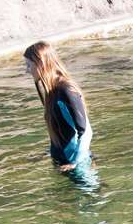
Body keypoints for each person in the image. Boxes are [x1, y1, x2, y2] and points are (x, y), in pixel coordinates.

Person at [24, 41, 90, 171]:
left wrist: (75, 163)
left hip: (75, 164)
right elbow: (61, 130)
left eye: (29, 65)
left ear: (41, 64)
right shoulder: (51, 91)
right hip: (62, 161)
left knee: (90, 191)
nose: (27, 70)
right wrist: (47, 153)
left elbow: (86, 132)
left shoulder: (66, 91)